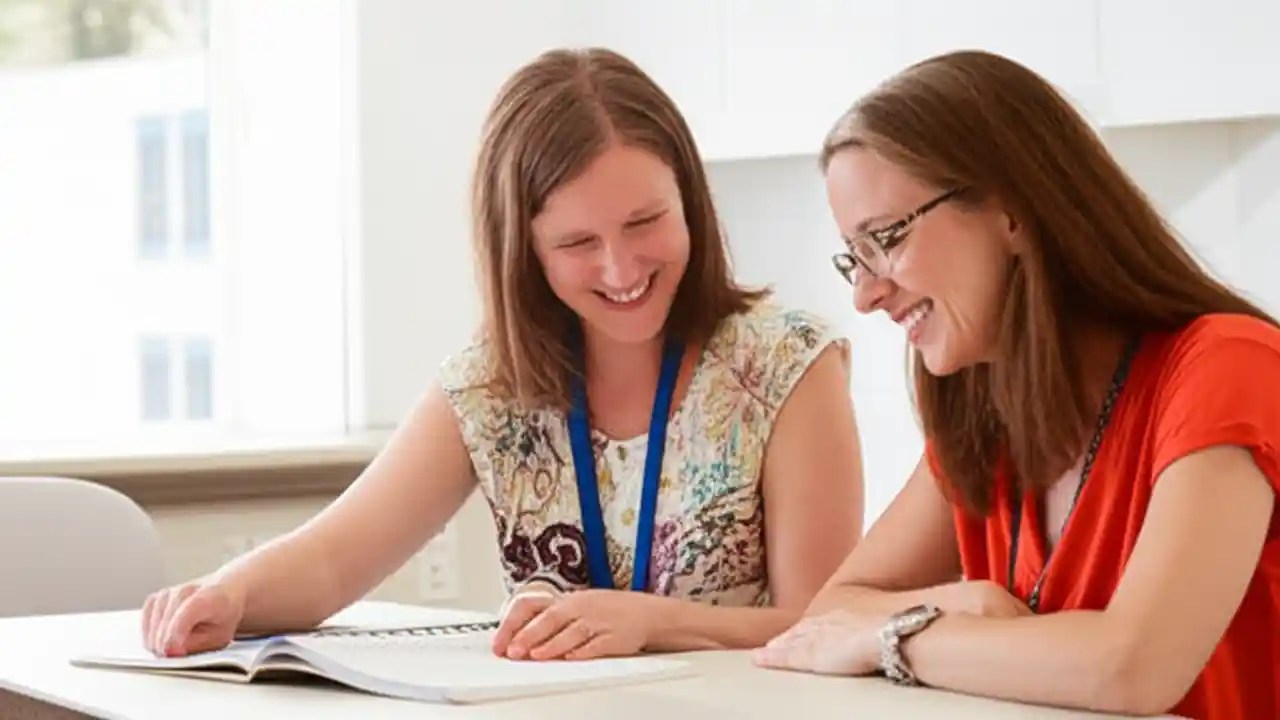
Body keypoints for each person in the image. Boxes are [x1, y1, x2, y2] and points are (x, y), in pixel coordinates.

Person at [140, 47, 865, 663]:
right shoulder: (491, 387)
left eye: (645, 221)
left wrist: (652, 622)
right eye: (578, 244)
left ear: (692, 203)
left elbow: (823, 626)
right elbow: (332, 560)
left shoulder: (786, 363)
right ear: (525, 254)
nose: (621, 269)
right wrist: (227, 591)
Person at [753, 49, 1280, 720]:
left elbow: (1134, 669)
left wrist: (897, 637)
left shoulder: (1227, 367)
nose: (866, 294)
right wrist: (959, 603)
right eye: (853, 258)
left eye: (886, 238)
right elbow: (834, 608)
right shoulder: (983, 414)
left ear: (1014, 213)